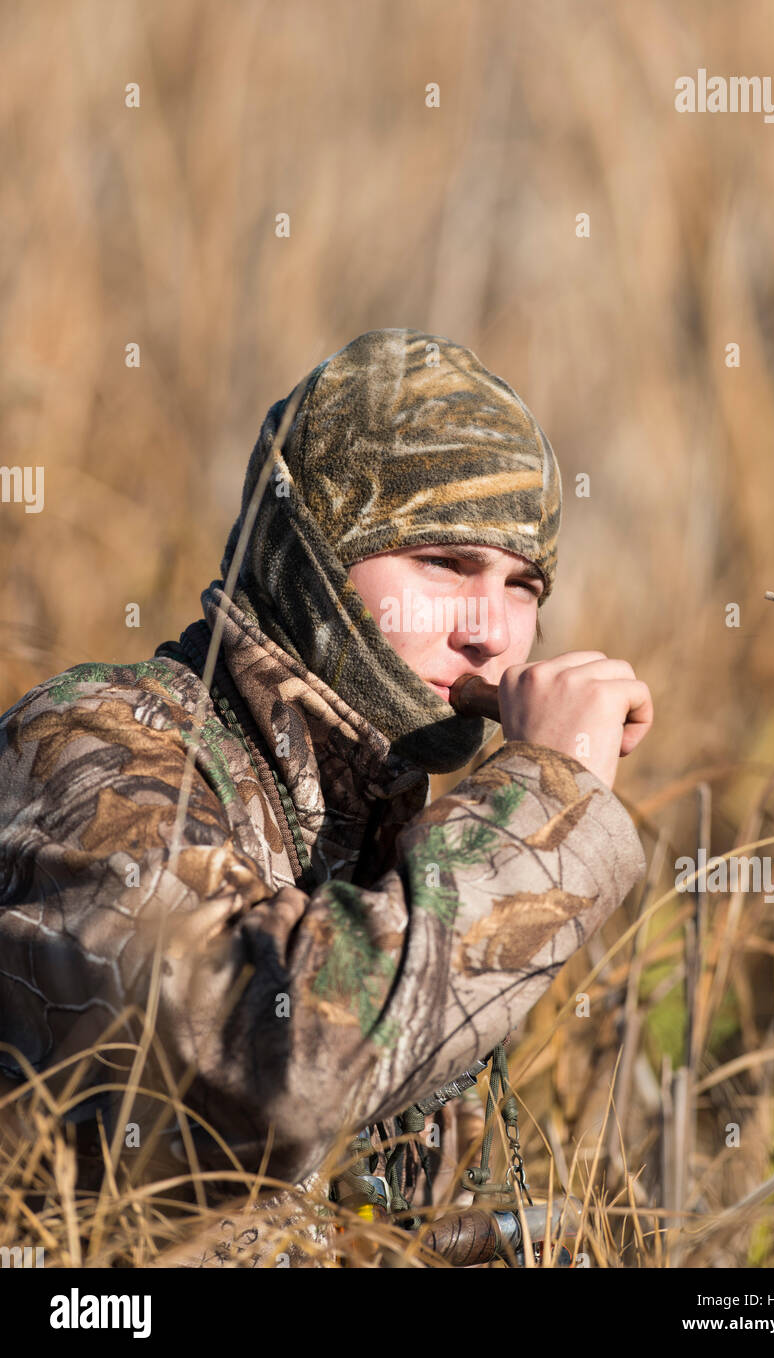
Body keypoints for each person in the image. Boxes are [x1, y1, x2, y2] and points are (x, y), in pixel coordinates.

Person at [0, 328, 652, 1266]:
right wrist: (547, 804)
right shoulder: (92, 744)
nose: (490, 633)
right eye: (441, 563)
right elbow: (278, 1073)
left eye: (523, 584)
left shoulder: (393, 825)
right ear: (307, 559)